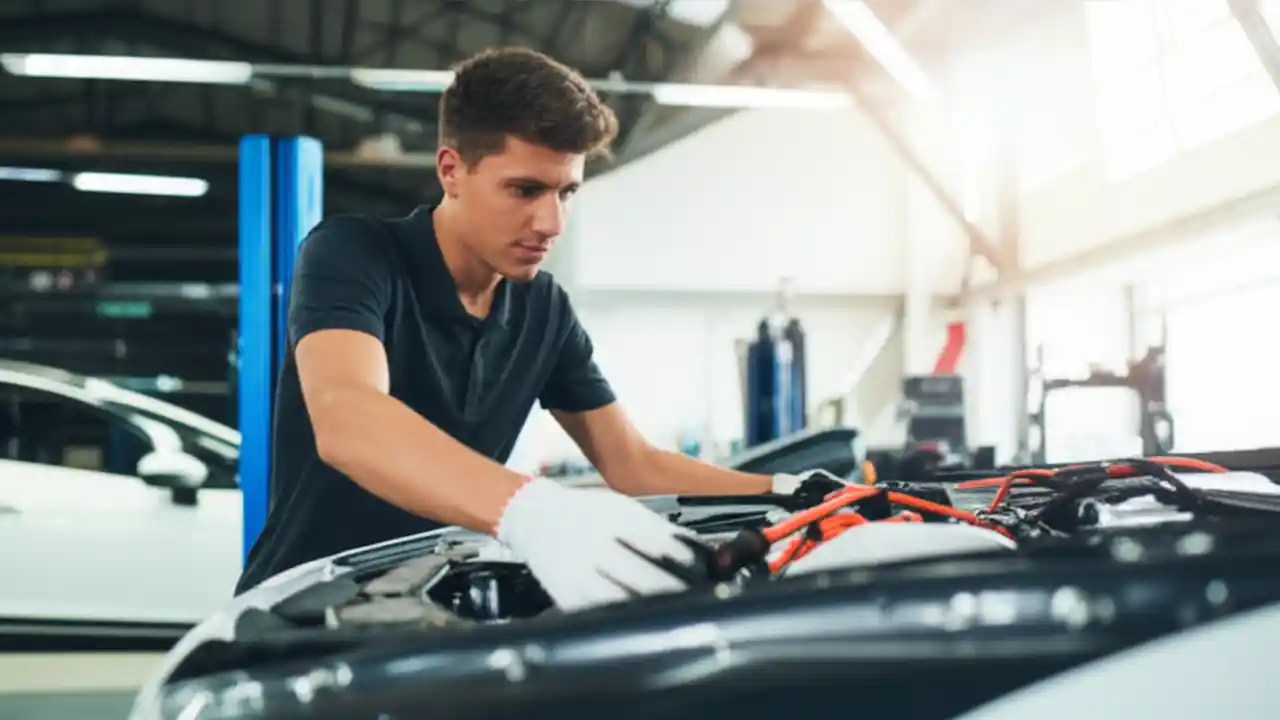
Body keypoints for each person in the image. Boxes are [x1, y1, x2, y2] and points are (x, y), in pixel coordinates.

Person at [236, 47, 831, 611]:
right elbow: (348, 420)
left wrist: (787, 491)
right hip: (301, 607)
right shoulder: (355, 254)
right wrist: (530, 510)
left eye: (566, 192)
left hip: (425, 607)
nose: (551, 222)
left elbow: (632, 463)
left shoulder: (542, 309)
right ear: (452, 170)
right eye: (524, 190)